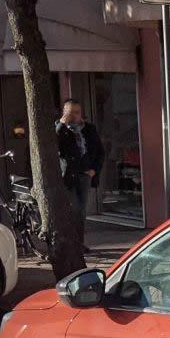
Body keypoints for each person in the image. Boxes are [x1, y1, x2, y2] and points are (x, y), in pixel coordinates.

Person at [56, 99, 104, 252]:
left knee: (81, 211)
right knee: (74, 208)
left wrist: (94, 170)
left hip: (85, 175)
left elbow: (100, 151)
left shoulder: (88, 129)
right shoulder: (60, 129)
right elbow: (56, 147)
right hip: (69, 176)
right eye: (72, 112)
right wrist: (61, 125)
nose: (76, 116)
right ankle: (71, 243)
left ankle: (78, 243)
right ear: (65, 112)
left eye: (78, 112)